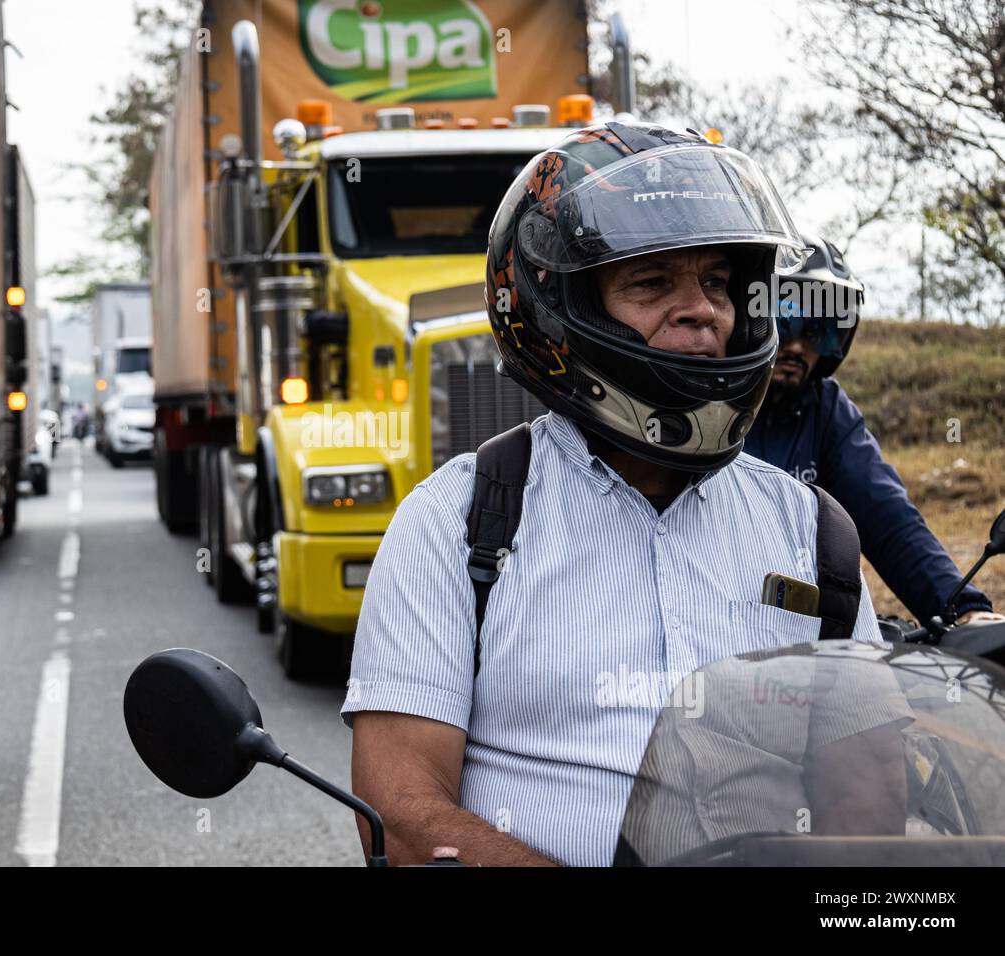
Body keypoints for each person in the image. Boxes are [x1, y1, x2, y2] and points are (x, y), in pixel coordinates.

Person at [341, 122, 885, 867]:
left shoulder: (812, 533)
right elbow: (398, 814)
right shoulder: (458, 525)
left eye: (719, 282)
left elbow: (870, 802)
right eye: (652, 282)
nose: (704, 310)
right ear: (566, 308)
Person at [743, 234, 1001, 629]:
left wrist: (962, 608)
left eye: (819, 329)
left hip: (797, 628)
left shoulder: (824, 408)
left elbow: (889, 518)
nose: (797, 345)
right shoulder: (715, 400)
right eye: (786, 321)